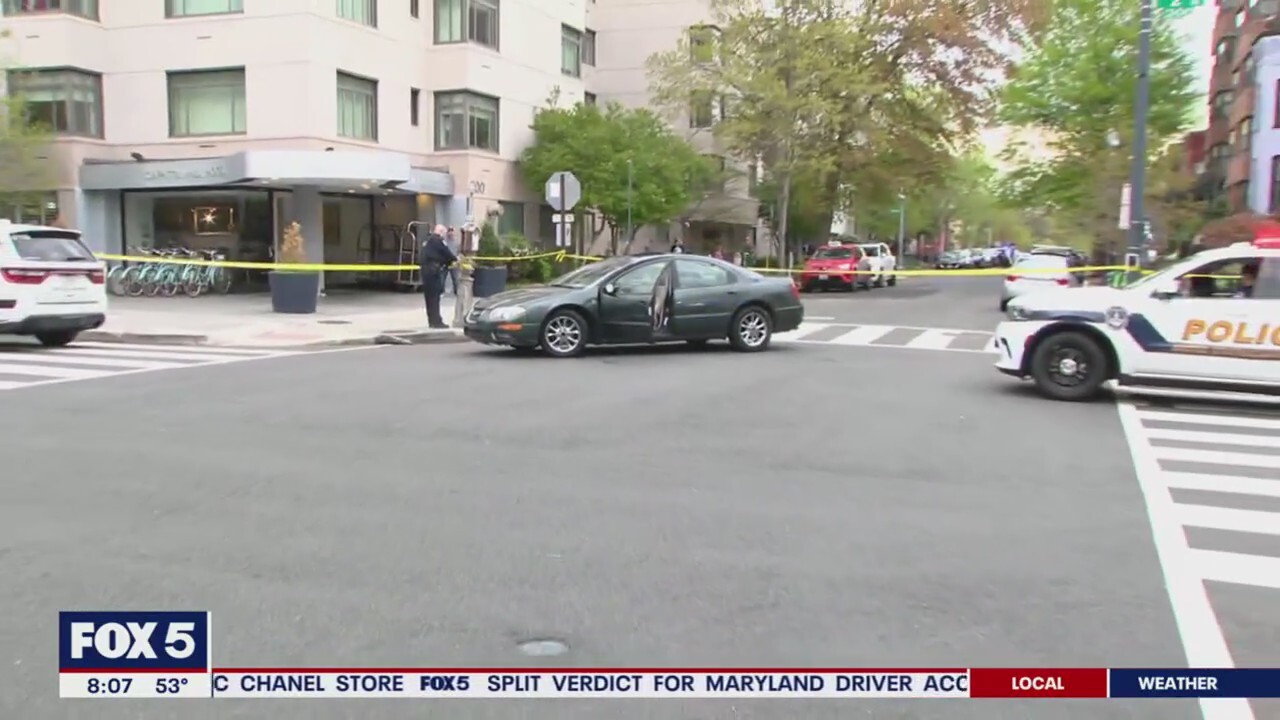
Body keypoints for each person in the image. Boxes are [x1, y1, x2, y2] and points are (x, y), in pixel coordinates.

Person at [419, 224, 456, 328]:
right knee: (435, 298)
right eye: (444, 232)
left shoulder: (427, 240)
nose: (444, 235)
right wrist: (455, 259)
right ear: (440, 232)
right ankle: (436, 322)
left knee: (429, 298)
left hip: (426, 272)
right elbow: (447, 254)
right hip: (434, 271)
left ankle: (431, 321)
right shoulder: (438, 241)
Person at [443, 227, 461, 295]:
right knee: (442, 278)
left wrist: (458, 259)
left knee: (456, 278)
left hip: (454, 263)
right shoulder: (444, 242)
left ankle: (456, 292)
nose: (450, 233)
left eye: (452, 231)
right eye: (449, 231)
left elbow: (459, 252)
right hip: (445, 262)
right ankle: (442, 291)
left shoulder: (457, 243)